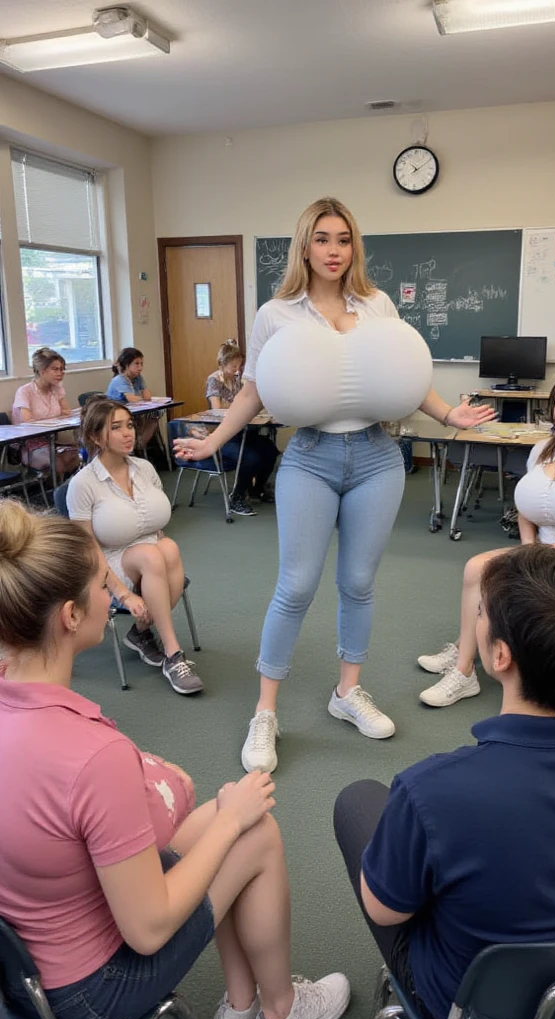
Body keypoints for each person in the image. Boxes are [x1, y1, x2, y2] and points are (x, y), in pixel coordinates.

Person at [173, 196, 494, 774]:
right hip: (312, 455)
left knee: (359, 582)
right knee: (295, 586)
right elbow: (253, 390)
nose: (334, 250)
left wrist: (449, 415)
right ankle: (264, 713)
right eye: (322, 238)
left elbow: (406, 375)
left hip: (377, 456)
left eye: (343, 239)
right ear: (305, 245)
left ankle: (347, 692)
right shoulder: (277, 313)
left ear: (355, 247)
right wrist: (214, 441)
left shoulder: (377, 305)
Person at [0, 500, 351, 1019]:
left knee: (228, 819)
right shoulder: (92, 756)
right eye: (103, 586)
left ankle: (240, 1007)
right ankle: (281, 1009)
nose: (112, 596)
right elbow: (149, 928)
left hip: (26, 963)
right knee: (250, 827)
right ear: (70, 616)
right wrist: (230, 819)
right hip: (91, 991)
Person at [335, 544, 555, 1019]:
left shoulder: (431, 791)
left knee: (357, 801)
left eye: (481, 613)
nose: (476, 619)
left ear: (500, 655)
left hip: (468, 1007)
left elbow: (385, 913)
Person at [418, 369, 555, 707]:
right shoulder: (542, 449)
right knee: (476, 567)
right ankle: (465, 658)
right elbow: (526, 509)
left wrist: (550, 552)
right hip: (540, 554)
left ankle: (462, 668)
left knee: (501, 580)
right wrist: (530, 547)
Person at [67, 397, 204, 695]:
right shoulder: (83, 484)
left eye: (129, 425)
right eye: (115, 428)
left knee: (167, 548)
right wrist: (124, 595)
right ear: (94, 437)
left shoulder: (144, 468)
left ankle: (142, 632)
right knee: (153, 554)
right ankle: (173, 655)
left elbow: (157, 527)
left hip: (152, 556)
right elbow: (88, 552)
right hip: (109, 566)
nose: (128, 433)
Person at [206, 339, 279, 516]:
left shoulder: (238, 380)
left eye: (239, 366)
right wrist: (238, 407)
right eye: (233, 367)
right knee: (250, 457)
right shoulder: (214, 380)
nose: (237, 370)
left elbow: (243, 403)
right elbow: (217, 407)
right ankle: (236, 497)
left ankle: (257, 489)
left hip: (241, 432)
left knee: (270, 450)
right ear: (222, 365)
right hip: (223, 435)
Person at [11, 346, 79, 477]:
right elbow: (27, 422)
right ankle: (55, 489)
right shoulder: (25, 391)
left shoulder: (57, 389)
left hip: (52, 439)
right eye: (55, 369)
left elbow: (67, 412)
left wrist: (56, 419)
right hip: (28, 444)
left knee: (76, 456)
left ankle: (59, 487)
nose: (60, 373)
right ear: (42, 371)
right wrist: (55, 420)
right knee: (57, 463)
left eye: (62, 369)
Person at [106, 346, 159, 448]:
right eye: (136, 364)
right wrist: (141, 398)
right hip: (116, 417)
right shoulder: (120, 380)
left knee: (152, 421)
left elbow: (147, 396)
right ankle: (135, 447)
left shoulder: (137, 377)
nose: (140, 368)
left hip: (131, 414)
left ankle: (137, 447)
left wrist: (143, 393)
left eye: (141, 364)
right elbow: (132, 400)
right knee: (146, 423)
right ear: (126, 365)